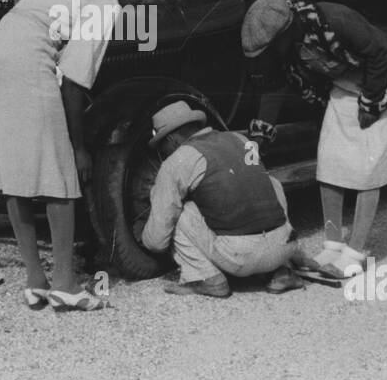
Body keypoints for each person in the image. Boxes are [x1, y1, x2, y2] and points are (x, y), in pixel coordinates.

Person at [0, 0, 174, 311]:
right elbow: (72, 82)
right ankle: (66, 284)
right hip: (28, 64)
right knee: (61, 177)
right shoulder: (105, 3)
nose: (142, 3)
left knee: (16, 175)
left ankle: (35, 280)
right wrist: (80, 146)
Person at [241, 0, 387, 273]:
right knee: (330, 163)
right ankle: (333, 246)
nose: (270, 52)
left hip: (381, 79)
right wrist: (260, 136)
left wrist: (371, 106)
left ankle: (355, 253)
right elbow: (275, 88)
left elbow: (378, 54)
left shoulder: (333, 21)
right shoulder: (285, 46)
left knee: (367, 169)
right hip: (345, 82)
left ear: (286, 29)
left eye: (271, 45)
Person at [138, 101, 333, 297]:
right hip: (284, 247)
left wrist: (143, 236)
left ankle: (207, 278)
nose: (164, 153)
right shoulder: (239, 139)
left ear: (171, 139)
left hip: (240, 259)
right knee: (271, 182)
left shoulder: (178, 159)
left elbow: (157, 241)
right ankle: (281, 272)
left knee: (178, 211)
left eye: (163, 147)